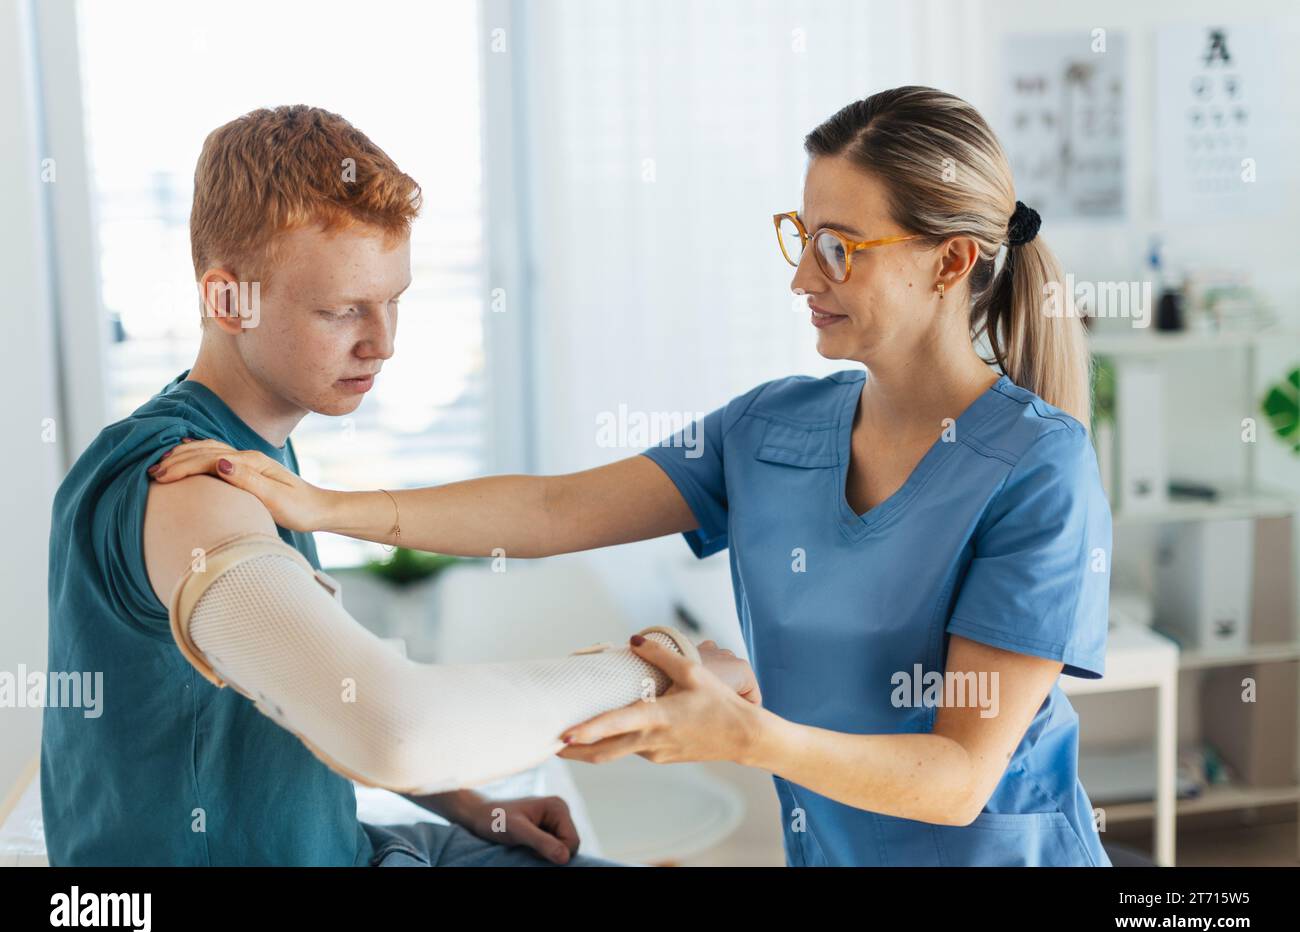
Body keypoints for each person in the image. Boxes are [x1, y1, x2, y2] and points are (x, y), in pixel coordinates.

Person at [156, 86, 1113, 867]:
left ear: (950, 262)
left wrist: (744, 735)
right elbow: (550, 506)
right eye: (802, 235)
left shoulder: (1036, 467)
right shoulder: (776, 427)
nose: (802, 279)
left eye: (839, 250)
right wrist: (326, 505)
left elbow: (958, 779)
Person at [44, 105, 751, 867]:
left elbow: (301, 687)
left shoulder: (254, 456)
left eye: (395, 301)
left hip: (354, 845)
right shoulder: (186, 484)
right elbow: (396, 730)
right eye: (344, 310)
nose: (383, 343)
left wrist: (472, 807)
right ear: (227, 301)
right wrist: (665, 669)